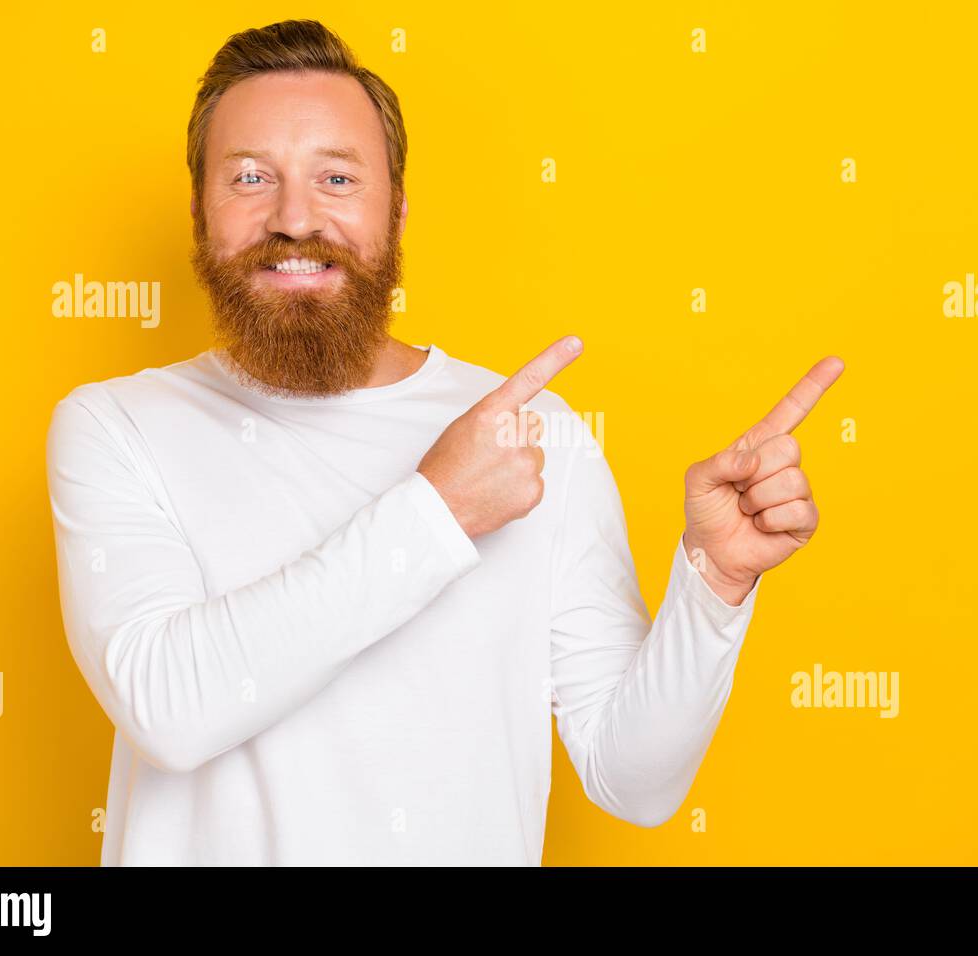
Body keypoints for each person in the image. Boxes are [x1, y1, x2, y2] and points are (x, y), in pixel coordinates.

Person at [45, 18, 844, 865]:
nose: (293, 218)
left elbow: (632, 781)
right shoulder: (115, 426)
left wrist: (714, 585)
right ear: (201, 212)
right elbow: (172, 708)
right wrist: (438, 510)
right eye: (250, 178)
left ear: (397, 210)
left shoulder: (536, 442)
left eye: (338, 177)